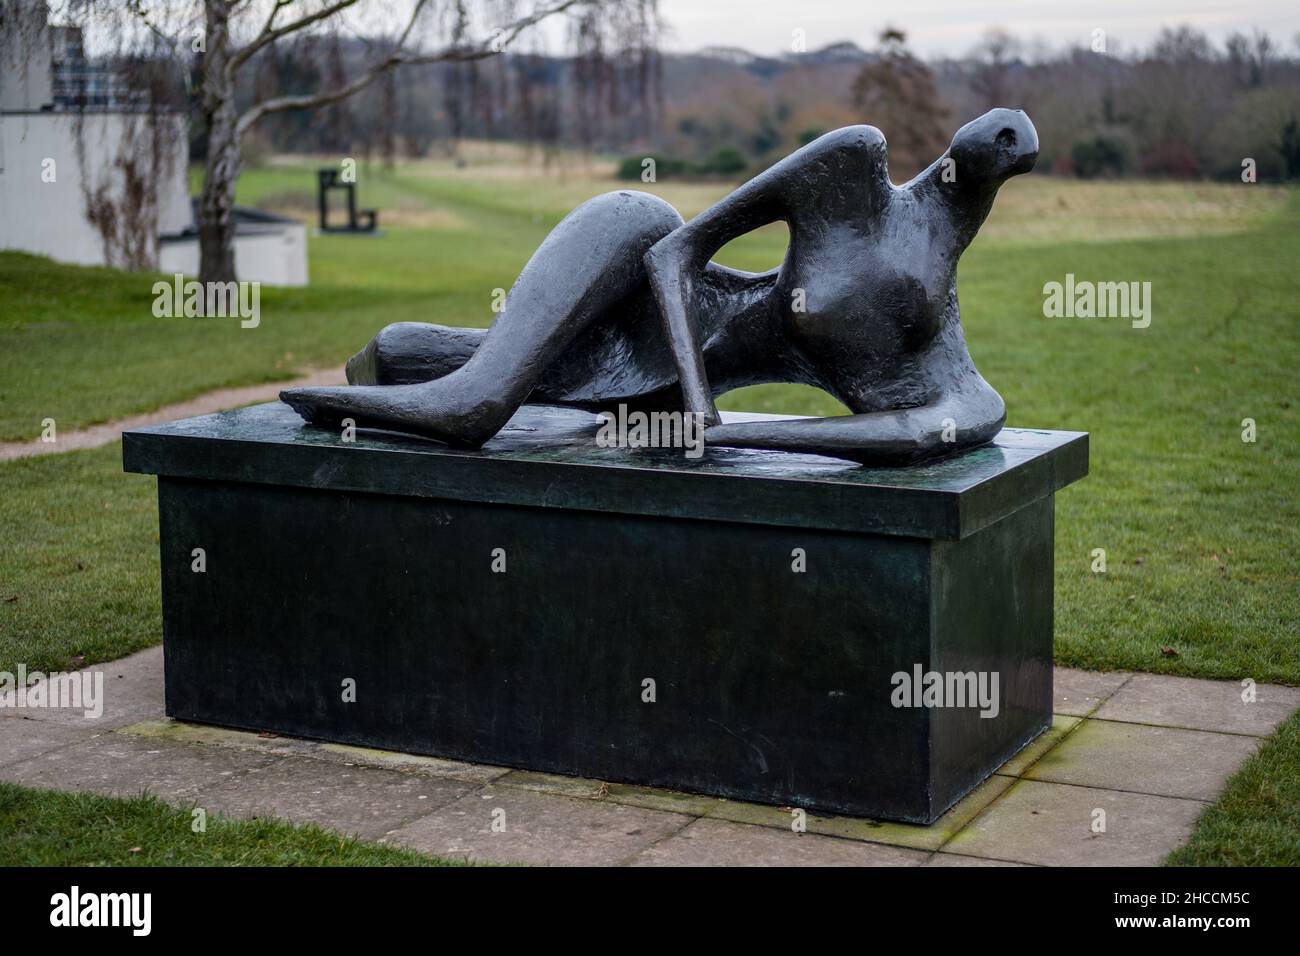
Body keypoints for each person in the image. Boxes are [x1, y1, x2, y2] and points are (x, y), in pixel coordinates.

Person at [281, 108, 1038, 464]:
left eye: (1016, 144)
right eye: (1001, 127)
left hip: (655, 395)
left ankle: (404, 364)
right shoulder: (854, 169)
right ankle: (465, 399)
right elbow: (676, 252)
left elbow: (906, 437)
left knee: (477, 362)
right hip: (658, 299)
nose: (1008, 140)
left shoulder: (948, 355)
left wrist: (735, 431)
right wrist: (708, 403)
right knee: (645, 210)